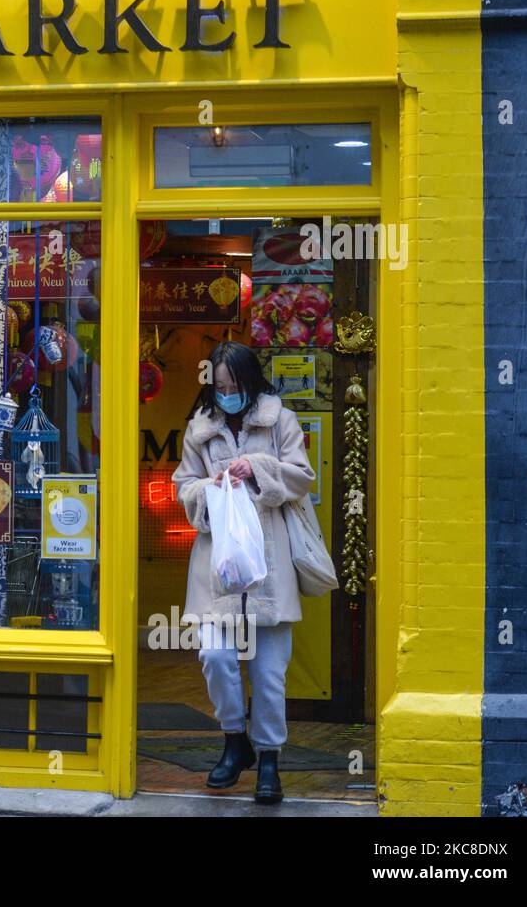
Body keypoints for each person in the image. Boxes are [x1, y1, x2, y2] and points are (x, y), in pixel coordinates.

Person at [171, 341, 316, 804]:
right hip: (219, 567)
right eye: (220, 386)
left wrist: (253, 467)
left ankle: (269, 759)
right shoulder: (200, 430)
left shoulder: (281, 421)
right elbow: (181, 485)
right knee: (215, 656)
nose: (227, 394)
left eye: (235, 386)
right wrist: (208, 489)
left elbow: (301, 476)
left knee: (269, 674)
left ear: (251, 383)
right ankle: (235, 742)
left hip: (270, 568)